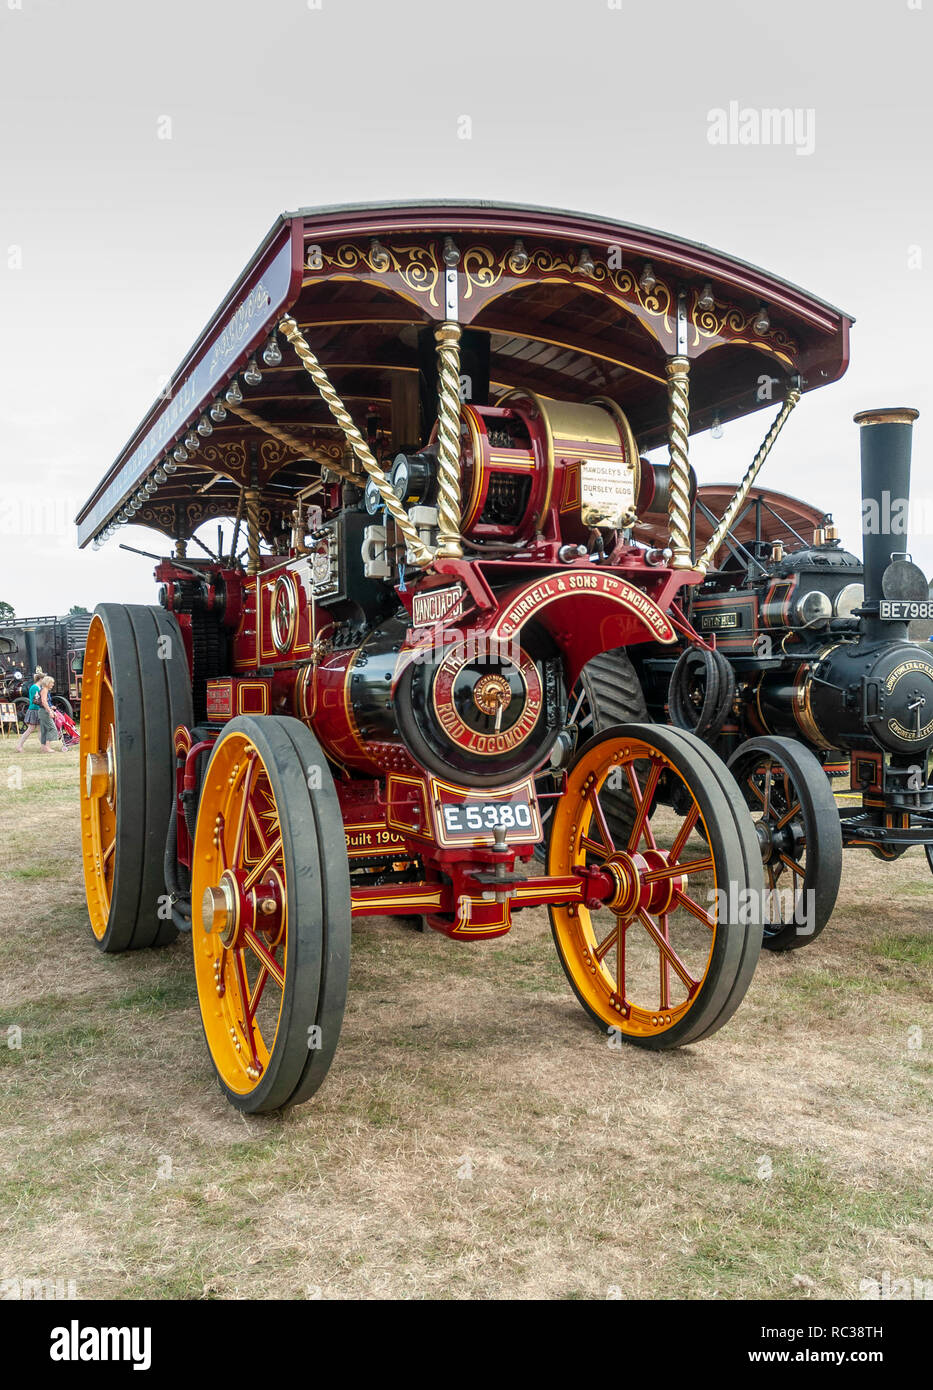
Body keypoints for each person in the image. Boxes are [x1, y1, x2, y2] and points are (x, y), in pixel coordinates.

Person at [15, 666, 44, 751]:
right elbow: (36, 700)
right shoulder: (35, 687)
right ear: (41, 679)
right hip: (34, 709)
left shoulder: (37, 687)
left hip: (37, 709)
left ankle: (43, 746)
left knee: (39, 729)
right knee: (31, 729)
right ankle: (19, 746)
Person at [36, 676, 64, 754]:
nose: (53, 684)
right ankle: (47, 748)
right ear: (47, 683)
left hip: (42, 711)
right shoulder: (45, 690)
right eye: (52, 683)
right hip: (44, 712)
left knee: (44, 730)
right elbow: (44, 702)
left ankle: (43, 747)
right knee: (52, 729)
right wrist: (50, 711)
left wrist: (51, 707)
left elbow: (44, 702)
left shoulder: (44, 690)